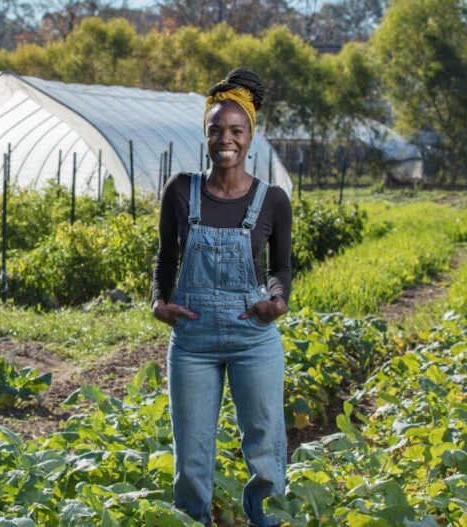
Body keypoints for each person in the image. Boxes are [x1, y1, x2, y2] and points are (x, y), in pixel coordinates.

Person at [151, 68, 292, 527]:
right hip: (192, 341)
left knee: (265, 449)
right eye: (216, 130)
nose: (225, 139)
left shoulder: (272, 200)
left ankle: (265, 521)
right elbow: (165, 259)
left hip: (254, 337)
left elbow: (280, 269)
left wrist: (278, 300)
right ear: (206, 135)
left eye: (236, 130)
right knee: (191, 459)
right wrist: (158, 301)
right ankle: (194, 520)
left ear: (251, 135)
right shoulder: (180, 190)